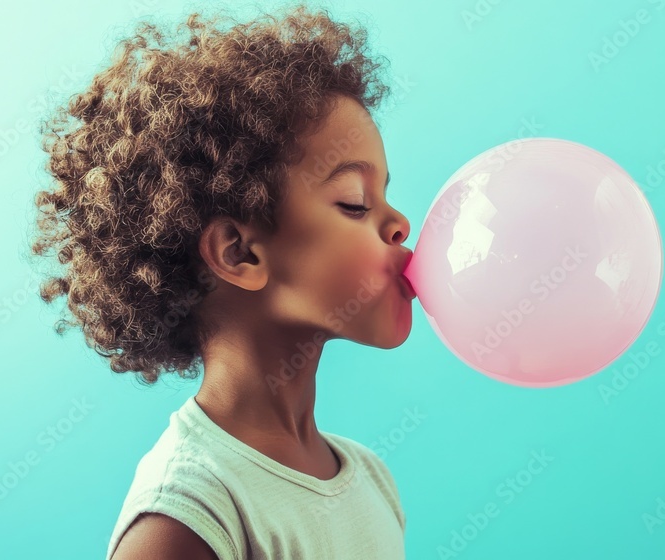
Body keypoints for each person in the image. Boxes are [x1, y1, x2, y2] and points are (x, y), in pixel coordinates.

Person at [30, 4, 414, 558]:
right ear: (239, 253)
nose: (400, 223)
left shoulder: (371, 477)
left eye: (384, 196)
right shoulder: (190, 512)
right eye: (355, 202)